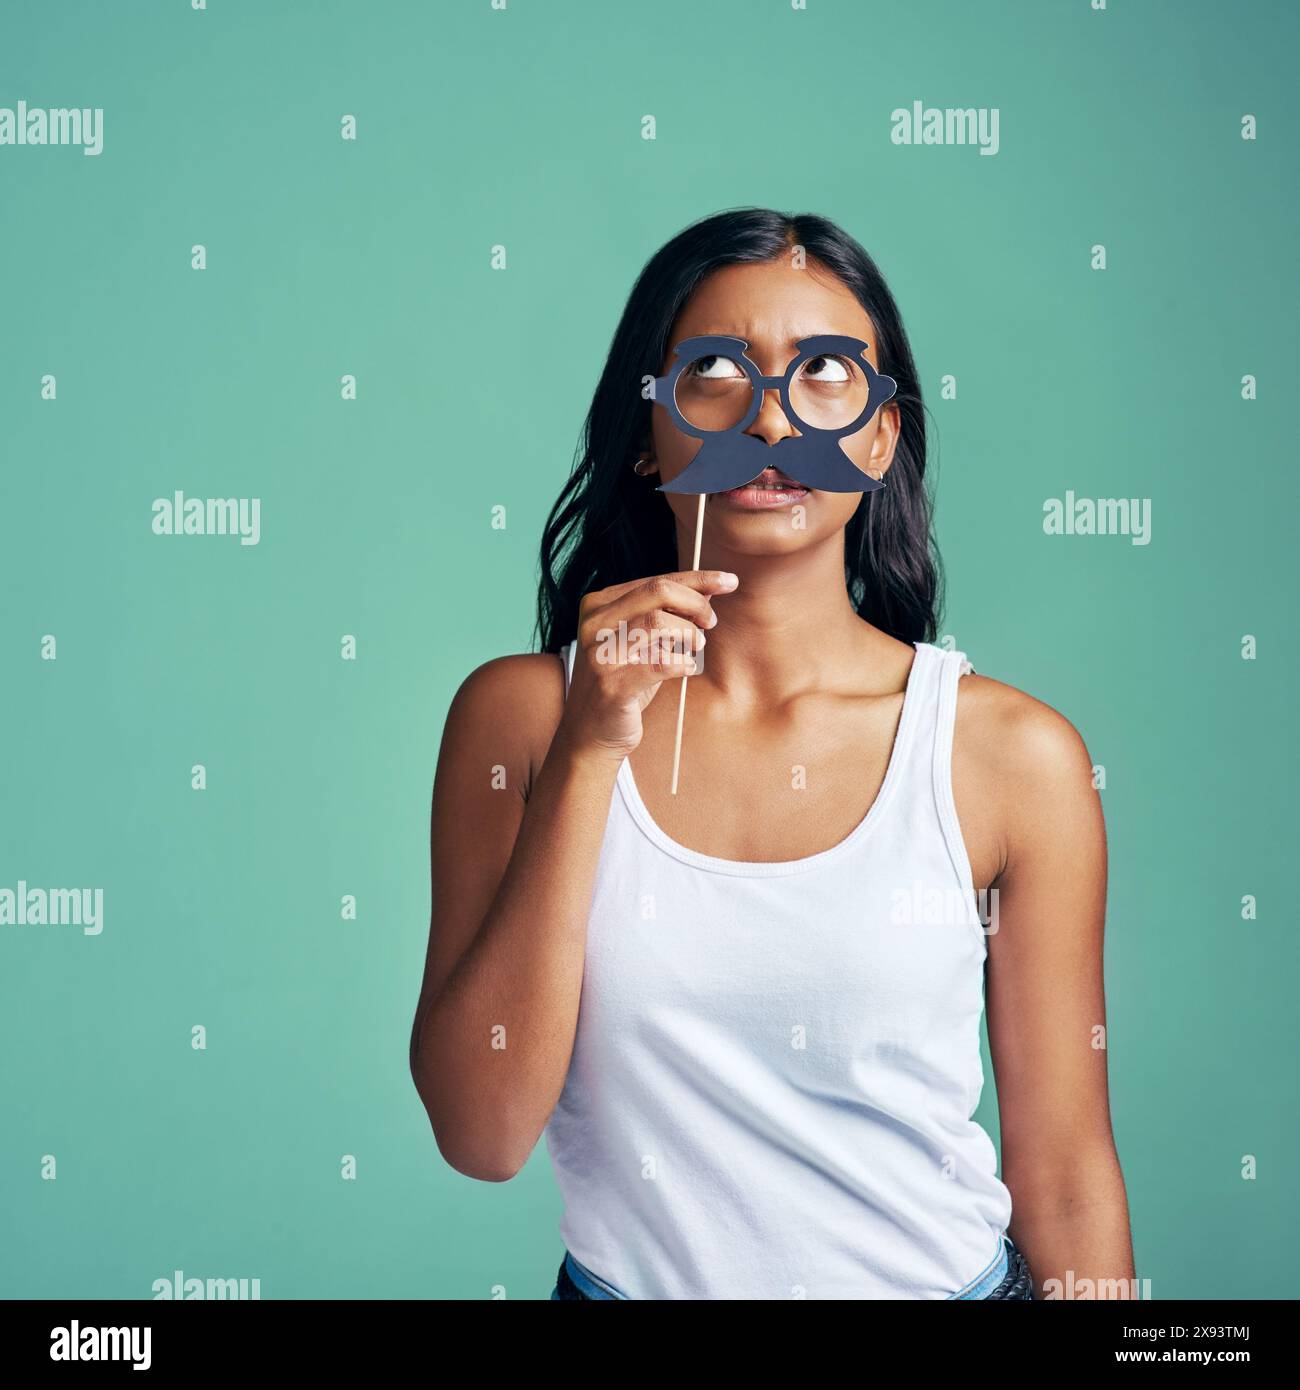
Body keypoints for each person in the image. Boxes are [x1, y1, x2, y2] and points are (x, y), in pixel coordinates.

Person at [409, 207, 1135, 1300]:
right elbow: (482, 1131)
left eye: (827, 373)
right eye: (715, 373)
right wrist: (590, 750)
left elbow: (1067, 1172)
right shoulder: (520, 720)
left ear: (882, 437)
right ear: (651, 429)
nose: (772, 420)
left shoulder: (1010, 756)